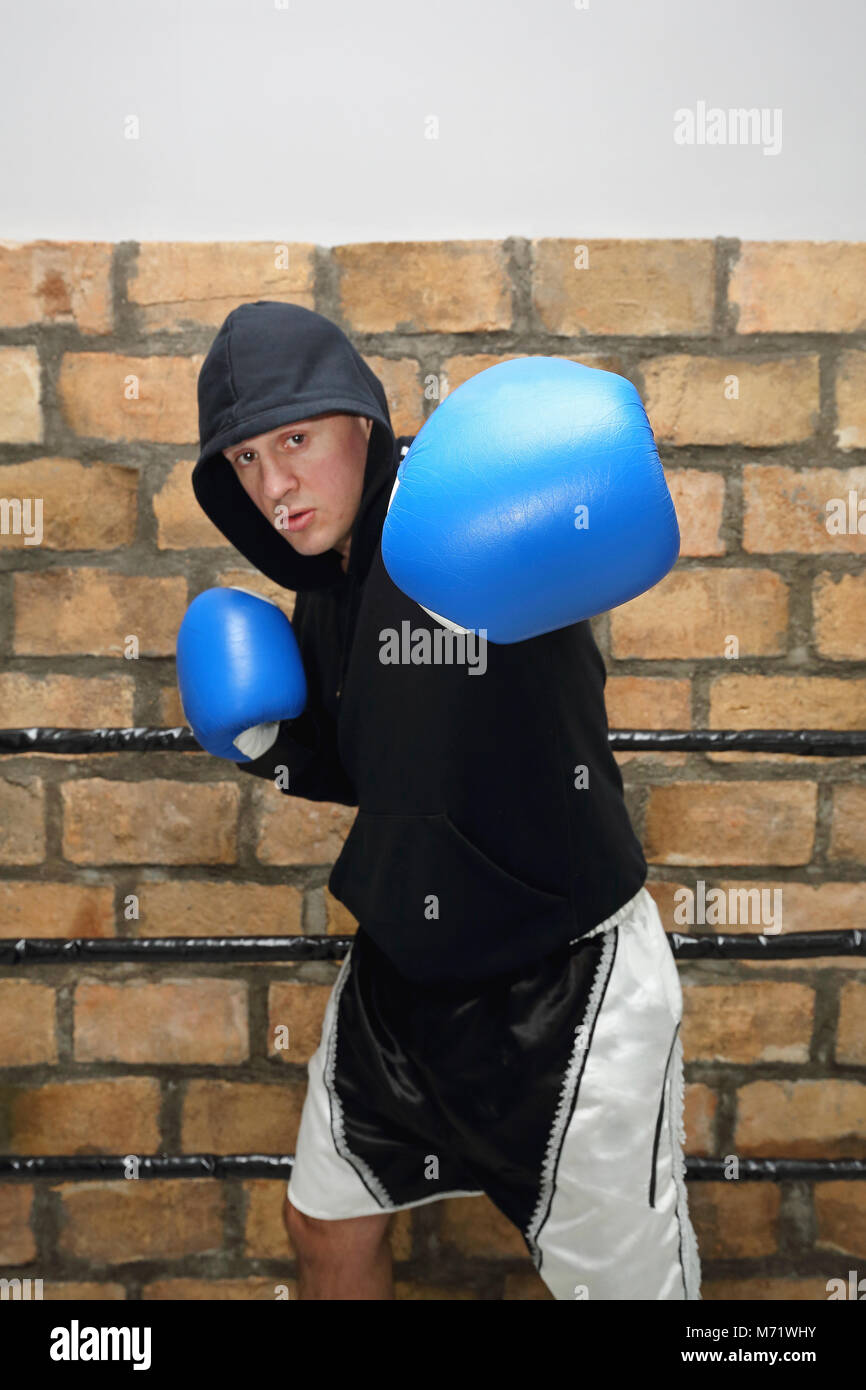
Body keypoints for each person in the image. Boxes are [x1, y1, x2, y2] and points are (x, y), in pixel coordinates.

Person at [184, 299, 702, 1301]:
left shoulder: (459, 506)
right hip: (400, 979)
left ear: (363, 424)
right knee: (324, 1223)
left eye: (295, 439)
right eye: (244, 460)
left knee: (626, 1292)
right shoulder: (325, 585)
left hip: (563, 986)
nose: (274, 483)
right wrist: (269, 741)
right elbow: (379, 764)